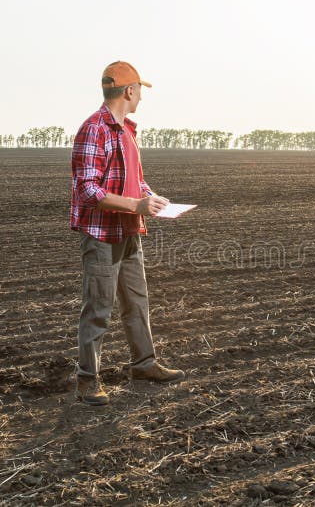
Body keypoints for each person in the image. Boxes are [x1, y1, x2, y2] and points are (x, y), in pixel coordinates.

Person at [70, 61, 185, 406]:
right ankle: (88, 380)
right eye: (139, 90)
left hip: (129, 231)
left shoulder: (127, 131)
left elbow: (133, 180)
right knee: (98, 308)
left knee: (136, 302)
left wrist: (150, 198)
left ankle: (144, 365)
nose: (140, 97)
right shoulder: (94, 130)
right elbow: (87, 191)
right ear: (129, 91)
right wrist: (135, 205)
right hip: (103, 234)